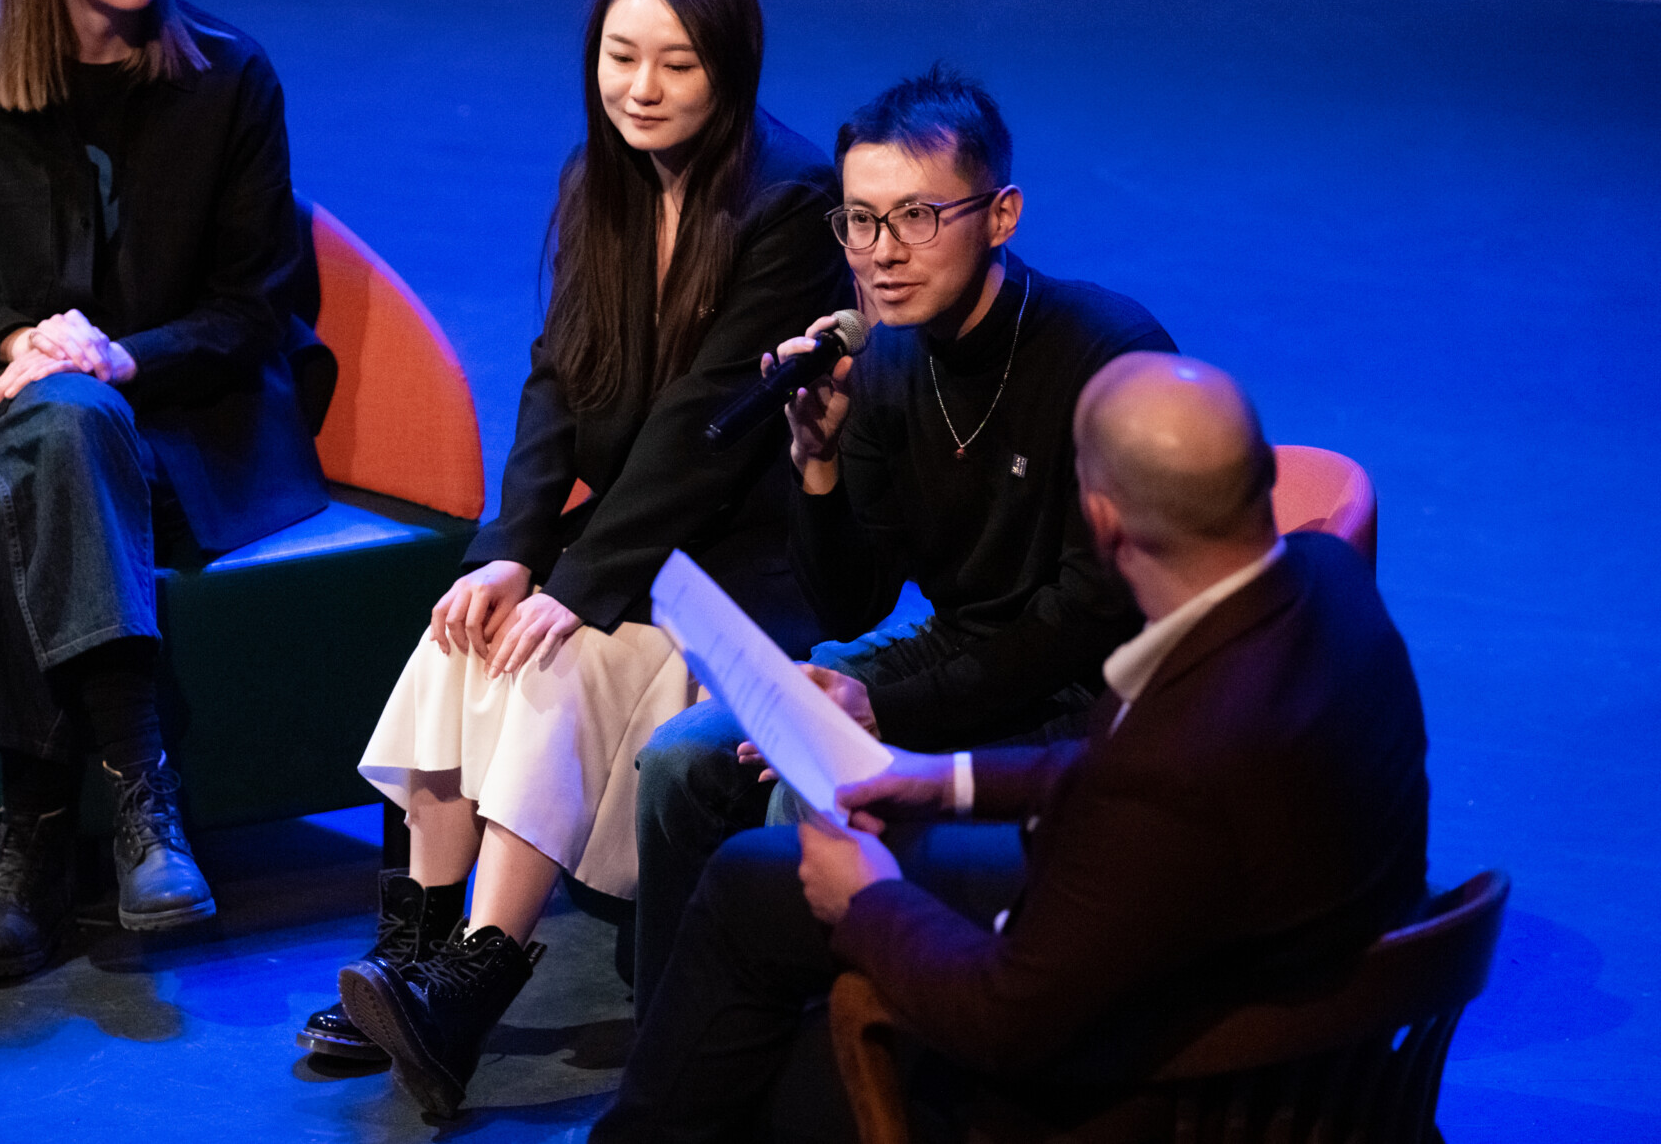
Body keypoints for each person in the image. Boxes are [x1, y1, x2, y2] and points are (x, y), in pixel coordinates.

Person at [593, 353, 1432, 1142]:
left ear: (1100, 520)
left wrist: (870, 901)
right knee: (752, 875)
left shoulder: (1175, 768)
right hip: (1268, 990)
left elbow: (1004, 1018)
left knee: (741, 1076)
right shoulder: (1326, 580)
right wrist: (935, 779)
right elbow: (1132, 779)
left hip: (1153, 1092)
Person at [304, 0, 850, 1115]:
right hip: (632, 541)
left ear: (730, 71)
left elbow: (705, 428)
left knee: (563, 650)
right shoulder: (597, 177)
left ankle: (470, 988)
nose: (640, 88)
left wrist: (579, 579)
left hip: (733, 569)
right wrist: (510, 551)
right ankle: (410, 953)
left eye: (676, 65)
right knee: (467, 625)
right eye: (619, 56)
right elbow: (555, 382)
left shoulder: (788, 203)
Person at [0, 0, 333, 979]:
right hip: (16, 404)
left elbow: (260, 302)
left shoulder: (230, 79)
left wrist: (124, 359)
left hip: (190, 426)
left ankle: (27, 848)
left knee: (50, 456)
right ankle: (142, 798)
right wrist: (23, 337)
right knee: (58, 433)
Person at [632, 66, 1174, 1016]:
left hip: (1084, 693)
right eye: (859, 221)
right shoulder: (882, 359)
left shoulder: (1105, 354)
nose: (882, 253)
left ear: (1000, 215)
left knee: (805, 790)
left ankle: (809, 1064)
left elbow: (1084, 618)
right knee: (682, 759)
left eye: (918, 217)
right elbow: (853, 604)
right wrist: (817, 465)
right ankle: (679, 1043)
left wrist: (886, 708)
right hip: (955, 655)